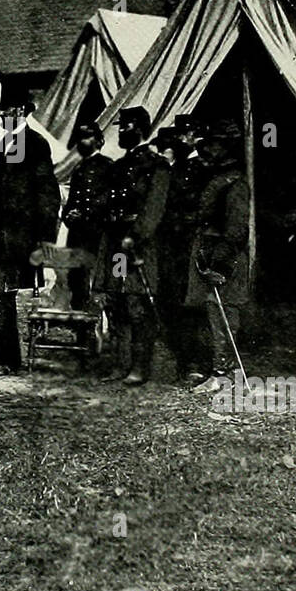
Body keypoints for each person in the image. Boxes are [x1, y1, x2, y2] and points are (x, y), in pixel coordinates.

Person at [0, 84, 61, 376]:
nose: (0, 114)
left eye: (6, 109)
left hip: (18, 239)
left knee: (1, 296)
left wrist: (44, 240)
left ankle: (6, 360)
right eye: (0, 109)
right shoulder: (6, 145)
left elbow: (48, 194)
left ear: (21, 111)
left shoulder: (34, 144)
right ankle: (6, 358)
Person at [93, 106, 170, 386]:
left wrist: (136, 236)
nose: (122, 132)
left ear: (140, 128)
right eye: (120, 127)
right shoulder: (119, 166)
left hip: (141, 247)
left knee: (138, 304)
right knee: (117, 300)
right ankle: (120, 364)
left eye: (126, 127)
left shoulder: (156, 166)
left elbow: (154, 209)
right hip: (117, 243)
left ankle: (139, 367)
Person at [183, 121, 250, 389]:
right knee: (212, 313)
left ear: (225, 148)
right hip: (207, 253)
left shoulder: (234, 182)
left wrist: (219, 264)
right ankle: (219, 371)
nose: (208, 150)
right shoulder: (214, 179)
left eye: (214, 144)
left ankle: (225, 374)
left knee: (224, 315)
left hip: (225, 257)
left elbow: (236, 229)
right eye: (207, 144)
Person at [157, 115, 210, 382]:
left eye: (183, 135)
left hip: (192, 243)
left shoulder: (203, 167)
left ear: (194, 136)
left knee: (194, 304)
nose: (178, 140)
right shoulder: (173, 167)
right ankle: (181, 359)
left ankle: (197, 362)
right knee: (173, 301)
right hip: (171, 244)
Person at [61, 120, 111, 312]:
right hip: (77, 235)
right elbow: (72, 199)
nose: (83, 142)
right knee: (77, 281)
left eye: (88, 137)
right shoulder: (79, 169)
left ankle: (97, 329)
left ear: (99, 141)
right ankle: (82, 330)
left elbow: (108, 197)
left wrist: (85, 213)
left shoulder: (107, 166)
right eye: (80, 139)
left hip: (96, 233)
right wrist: (69, 214)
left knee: (96, 282)